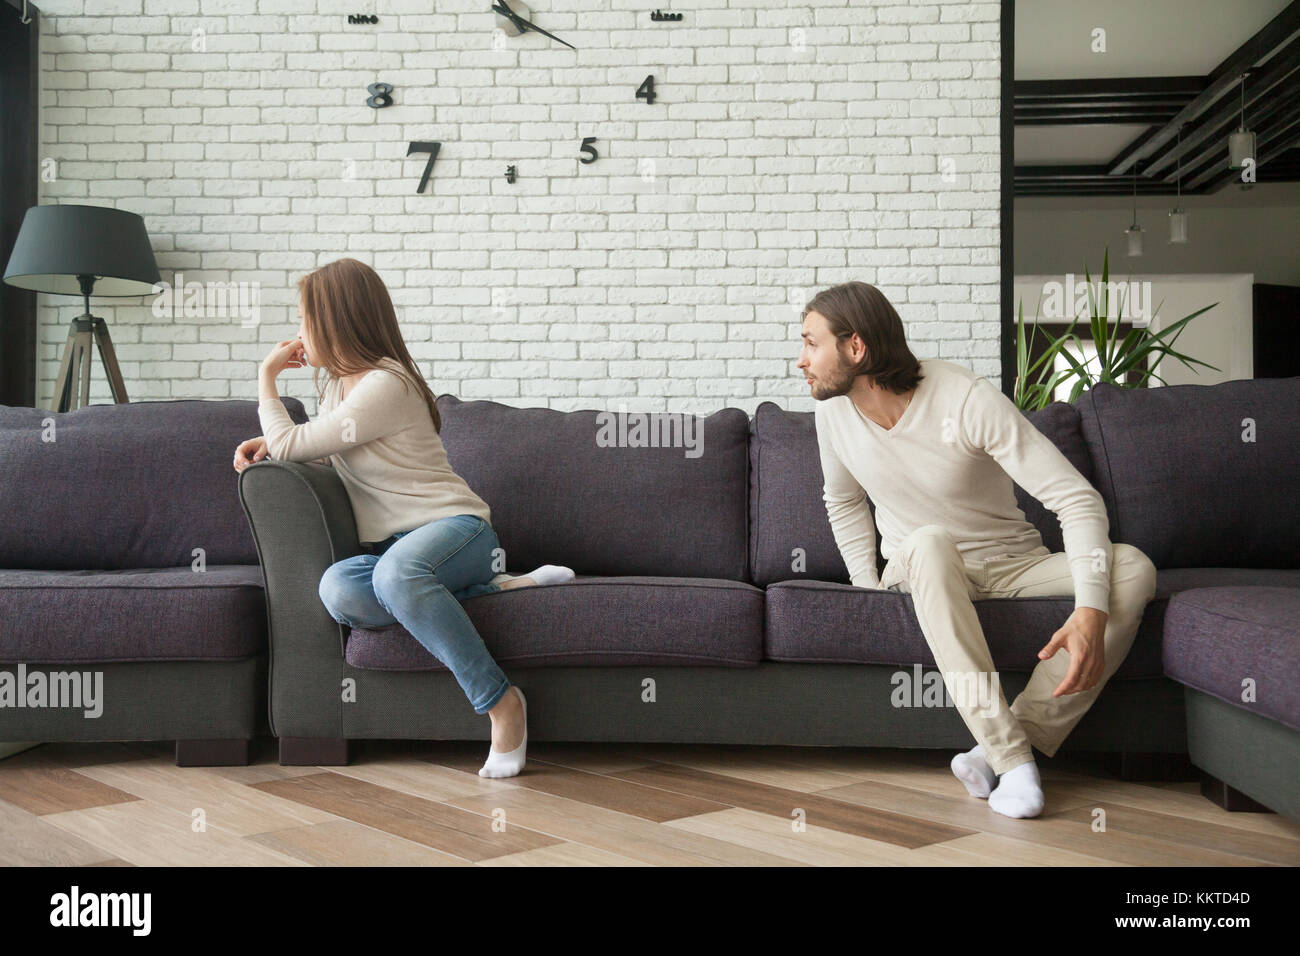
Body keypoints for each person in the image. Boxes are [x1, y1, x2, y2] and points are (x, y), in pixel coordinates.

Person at [797, 281, 1157, 819]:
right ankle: (1013, 759)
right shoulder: (834, 414)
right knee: (930, 541)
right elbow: (843, 502)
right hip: (921, 568)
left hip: (1013, 564)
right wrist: (866, 589)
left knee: (1132, 567)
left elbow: (1076, 500)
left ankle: (1003, 748)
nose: (800, 360)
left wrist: (1089, 609)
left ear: (855, 348)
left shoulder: (965, 398)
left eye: (809, 343)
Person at [233, 257, 573, 778]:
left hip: (456, 531)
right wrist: (276, 447)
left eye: (304, 320)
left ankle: (501, 703)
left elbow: (293, 442)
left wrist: (266, 379)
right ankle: (499, 588)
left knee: (397, 575)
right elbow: (323, 452)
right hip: (397, 554)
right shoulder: (338, 389)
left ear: (335, 321)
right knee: (338, 588)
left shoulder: (385, 383)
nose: (298, 334)